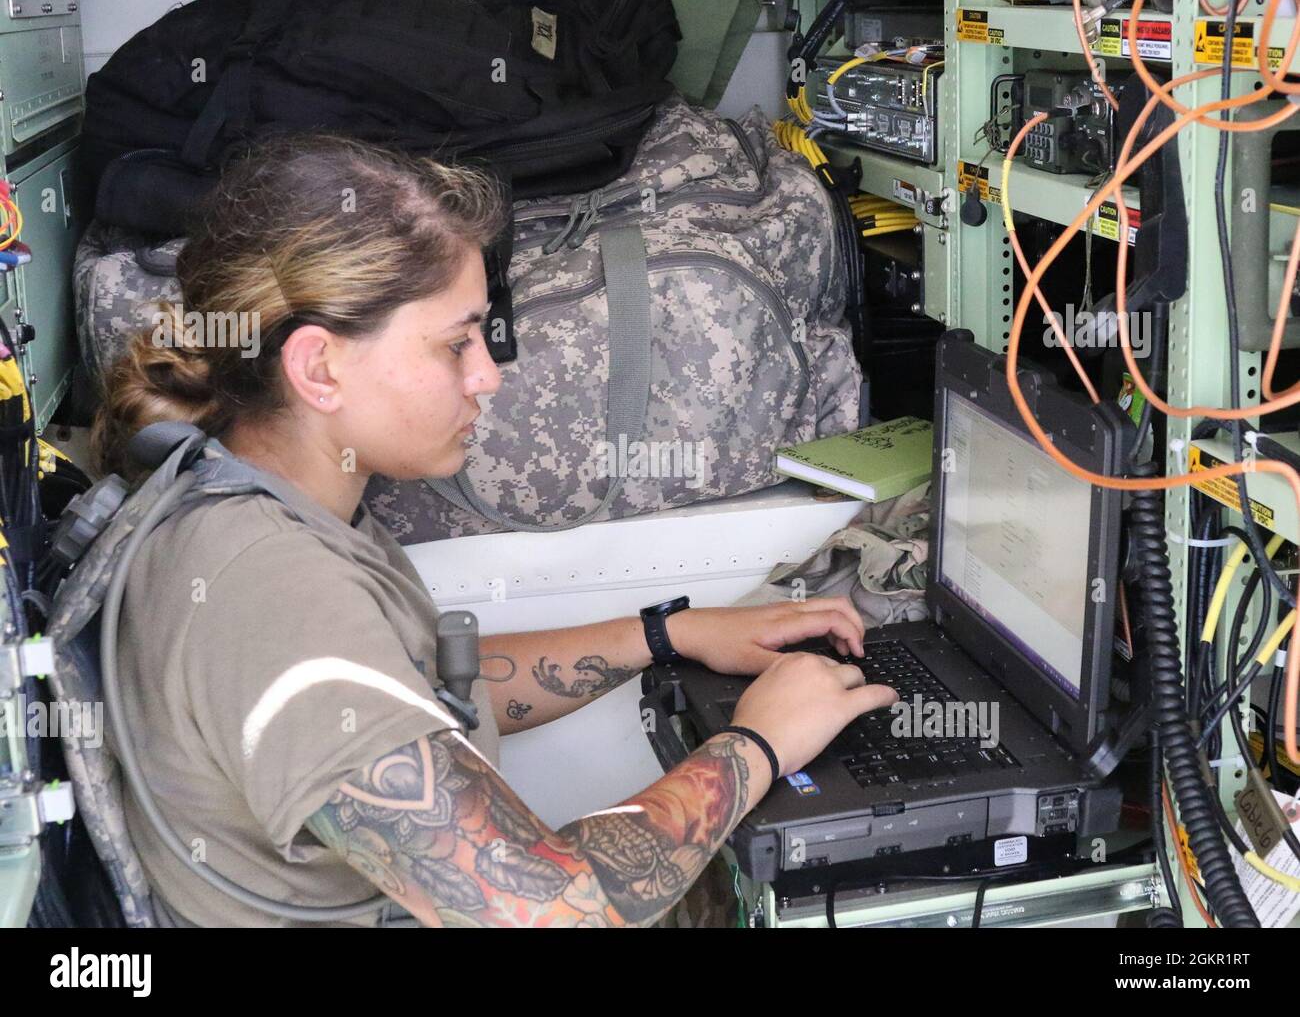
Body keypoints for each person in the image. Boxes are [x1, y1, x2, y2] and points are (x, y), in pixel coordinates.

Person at [92, 134, 897, 928]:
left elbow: (434, 702)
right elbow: (544, 911)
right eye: (455, 343)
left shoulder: (275, 500)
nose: (487, 374)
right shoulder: (269, 588)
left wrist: (668, 633)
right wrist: (759, 745)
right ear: (319, 369)